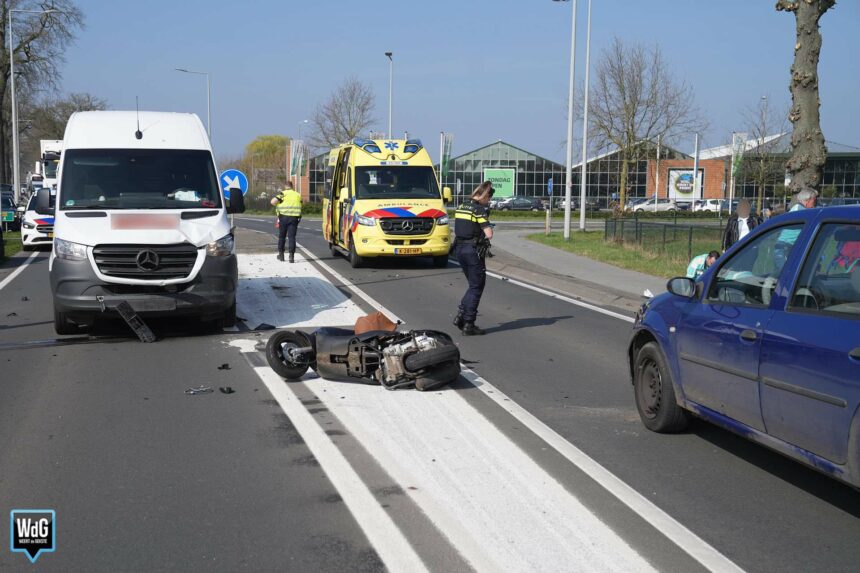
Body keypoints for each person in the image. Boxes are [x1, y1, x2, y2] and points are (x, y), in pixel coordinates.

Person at [453, 181, 494, 336]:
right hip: (473, 251)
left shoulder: (461, 207)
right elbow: (489, 234)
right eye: (488, 197)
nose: (488, 201)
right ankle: (468, 323)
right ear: (484, 195)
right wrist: (486, 223)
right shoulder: (478, 209)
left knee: (472, 285)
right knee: (477, 286)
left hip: (459, 250)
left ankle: (462, 316)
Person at [270, 182, 302, 262]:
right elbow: (301, 204)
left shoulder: (283, 194)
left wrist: (278, 204)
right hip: (294, 218)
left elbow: (272, 202)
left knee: (282, 237)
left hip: (283, 217)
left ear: (285, 186)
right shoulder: (297, 194)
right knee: (292, 237)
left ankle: (281, 255)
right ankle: (291, 256)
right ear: (292, 186)